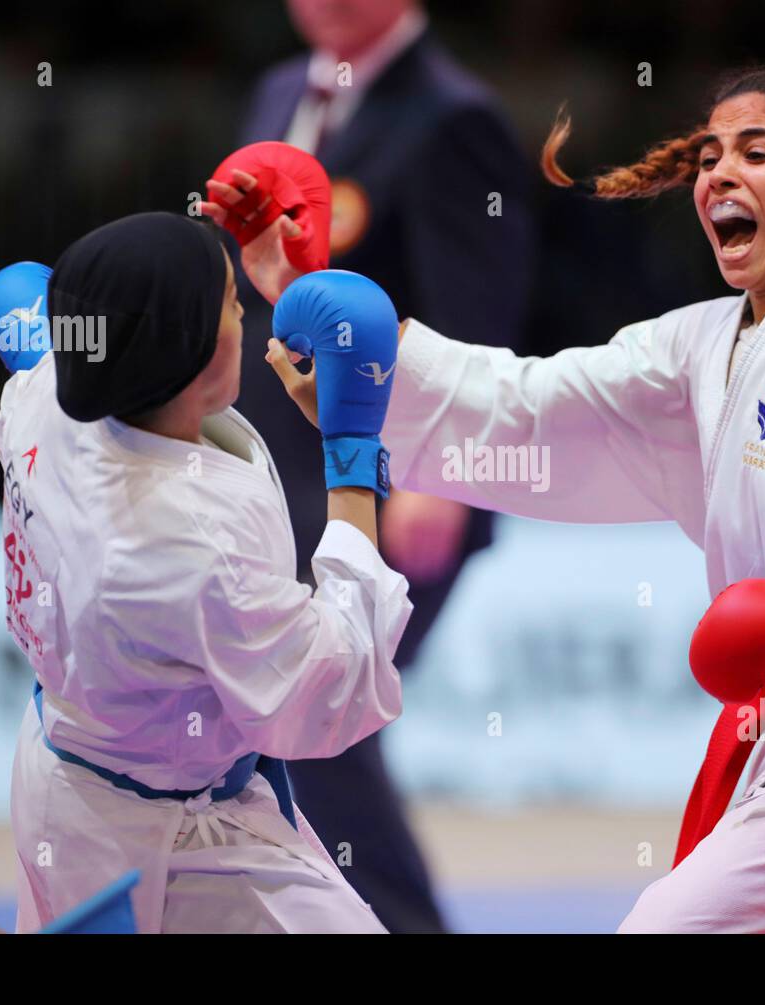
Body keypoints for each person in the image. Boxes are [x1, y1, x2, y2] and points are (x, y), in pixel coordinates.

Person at [249, 65, 765, 933]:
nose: (718, 174)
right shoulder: (703, 346)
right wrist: (343, 341)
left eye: (757, 150)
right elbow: (531, 407)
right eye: (709, 156)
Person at [0, 210, 411, 933]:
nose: (245, 312)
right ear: (197, 353)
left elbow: (15, 304)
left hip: (70, 776)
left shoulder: (52, 388)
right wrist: (351, 449)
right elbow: (329, 691)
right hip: (168, 825)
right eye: (230, 302)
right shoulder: (187, 543)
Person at [218, 0, 534, 932]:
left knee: (319, 720)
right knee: (289, 721)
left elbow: (478, 301)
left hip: (399, 475)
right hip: (276, 468)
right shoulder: (280, 90)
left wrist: (444, 473)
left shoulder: (453, 114)